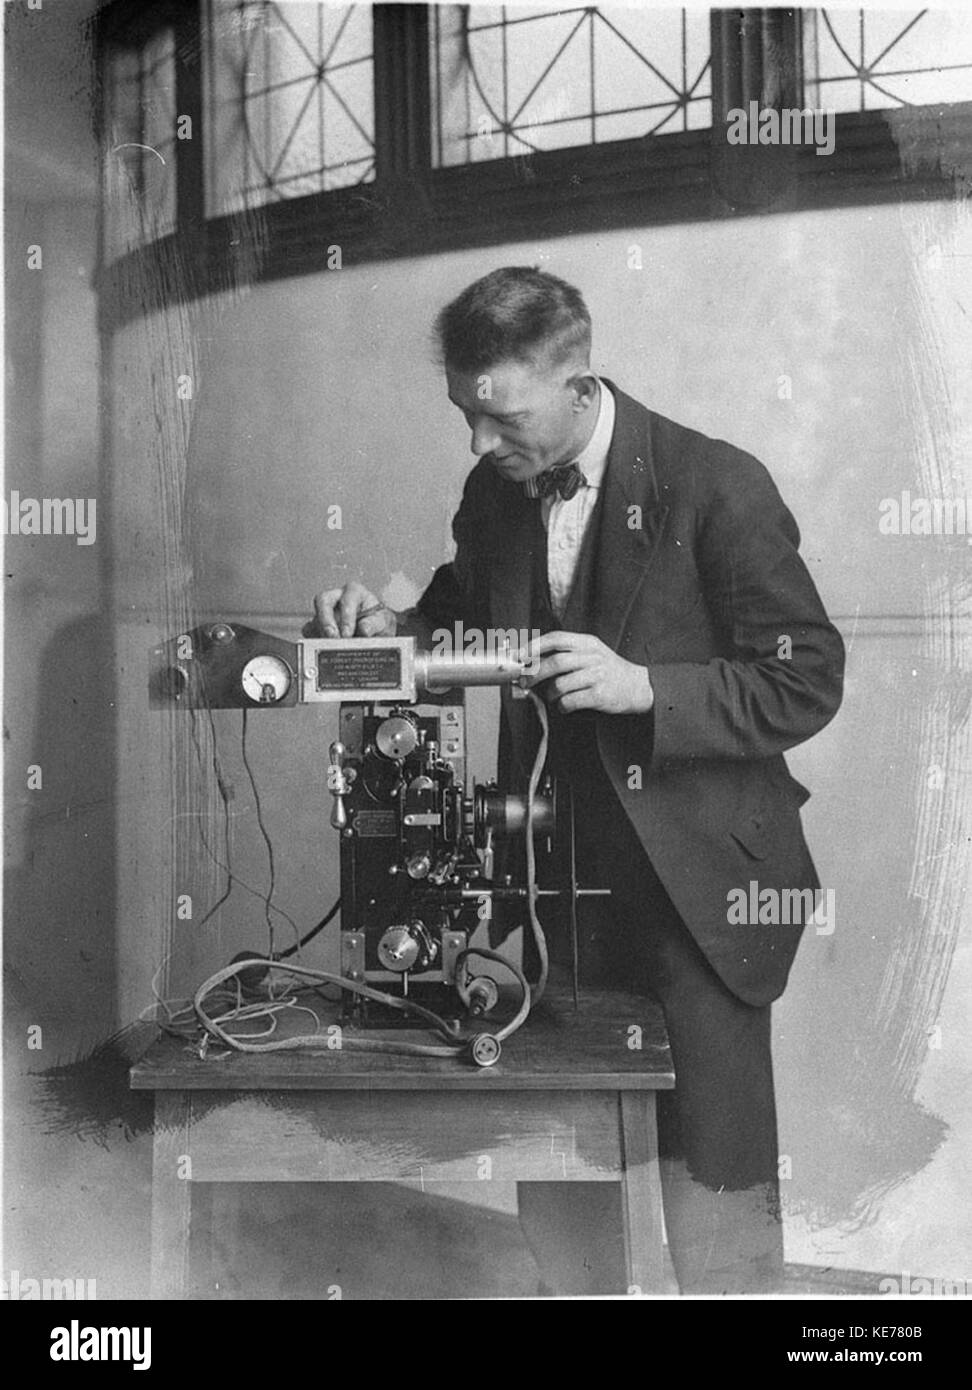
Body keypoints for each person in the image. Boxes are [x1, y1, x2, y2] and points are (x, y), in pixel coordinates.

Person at [311, 266, 844, 1295]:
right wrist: (392, 628)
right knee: (561, 1177)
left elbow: (807, 676)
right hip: (554, 886)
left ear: (577, 380)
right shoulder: (494, 491)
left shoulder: (718, 484)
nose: (475, 440)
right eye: (463, 413)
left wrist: (647, 687)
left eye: (497, 414)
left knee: (717, 1197)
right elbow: (467, 623)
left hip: (701, 891)